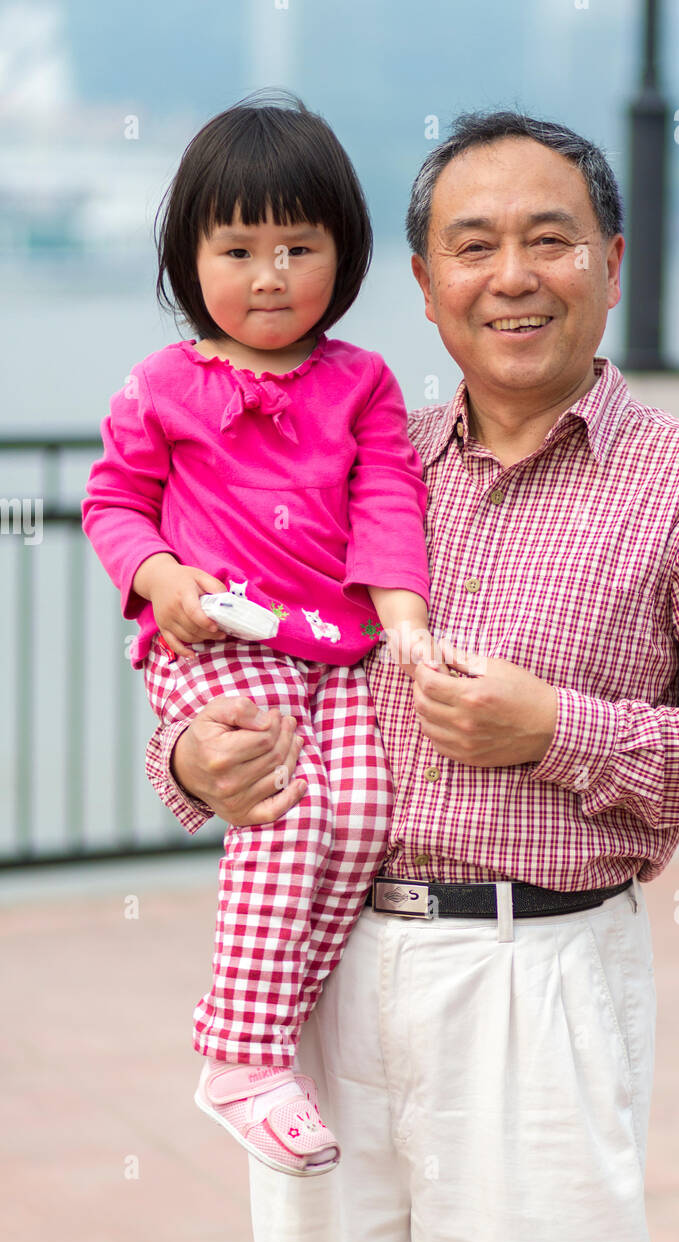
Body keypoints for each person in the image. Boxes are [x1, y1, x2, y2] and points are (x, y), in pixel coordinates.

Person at [144, 111, 679, 1242]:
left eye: (548, 238)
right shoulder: (365, 459)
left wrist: (557, 730)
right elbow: (246, 662)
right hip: (322, 961)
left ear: (610, 261)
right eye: (471, 246)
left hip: (538, 969)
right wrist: (193, 763)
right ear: (421, 284)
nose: (510, 276)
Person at [81, 94, 445, 1180]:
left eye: (299, 246)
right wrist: (156, 577)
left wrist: (404, 619)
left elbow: (387, 496)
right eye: (237, 248)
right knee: (284, 811)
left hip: (333, 643)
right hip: (216, 635)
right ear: (189, 258)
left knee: (367, 809)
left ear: (346, 252)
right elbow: (112, 504)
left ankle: (276, 1015)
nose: (270, 274)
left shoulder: (362, 383)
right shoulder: (162, 387)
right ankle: (239, 1054)